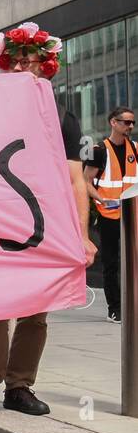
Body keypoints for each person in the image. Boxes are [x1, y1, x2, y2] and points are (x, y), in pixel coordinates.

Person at [0, 23, 98, 416]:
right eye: (16, 62)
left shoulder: (62, 117)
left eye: (30, 61)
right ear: (5, 65)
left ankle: (19, 386)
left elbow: (74, 179)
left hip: (44, 224)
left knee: (36, 310)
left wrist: (82, 235)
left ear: (44, 65)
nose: (23, 67)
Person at [85, 106, 136, 324]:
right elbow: (86, 182)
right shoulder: (98, 151)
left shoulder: (134, 148)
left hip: (132, 216)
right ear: (113, 123)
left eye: (132, 122)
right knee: (111, 263)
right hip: (109, 215)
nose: (130, 126)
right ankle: (114, 308)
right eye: (126, 122)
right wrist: (102, 198)